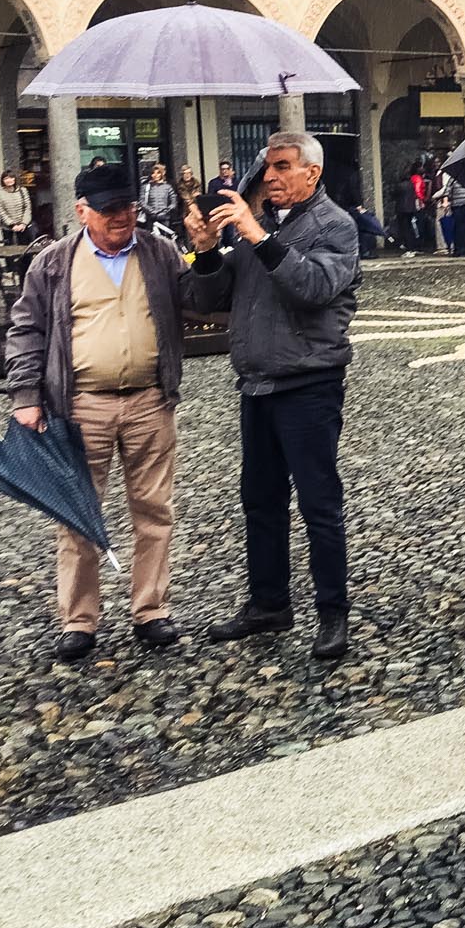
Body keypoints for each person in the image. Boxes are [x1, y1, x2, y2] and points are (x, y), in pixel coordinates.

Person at [183, 131, 362, 660]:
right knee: (260, 500)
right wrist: (206, 251)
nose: (271, 177)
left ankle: (332, 612)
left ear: (312, 172)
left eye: (283, 167)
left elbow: (312, 288)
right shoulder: (257, 229)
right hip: (257, 383)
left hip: (308, 383)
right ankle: (269, 602)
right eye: (267, 168)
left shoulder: (335, 226)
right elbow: (208, 298)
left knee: (318, 502)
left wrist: (258, 236)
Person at [4, 164, 190, 662]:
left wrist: (211, 249)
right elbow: (26, 330)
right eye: (109, 210)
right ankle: (79, 620)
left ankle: (151, 610)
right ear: (81, 210)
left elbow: (201, 298)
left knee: (154, 510)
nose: (122, 217)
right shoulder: (53, 264)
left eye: (128, 207)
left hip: (150, 399)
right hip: (82, 404)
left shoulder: (160, 252)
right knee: (78, 516)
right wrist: (25, 397)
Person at [139, 163, 180, 231]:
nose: (155, 175)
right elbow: (142, 201)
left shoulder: (168, 187)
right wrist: (151, 211)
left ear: (162, 174)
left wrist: (166, 210)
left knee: (164, 238)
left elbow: (174, 202)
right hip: (150, 217)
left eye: (158, 173)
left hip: (164, 217)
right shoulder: (145, 187)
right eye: (153, 173)